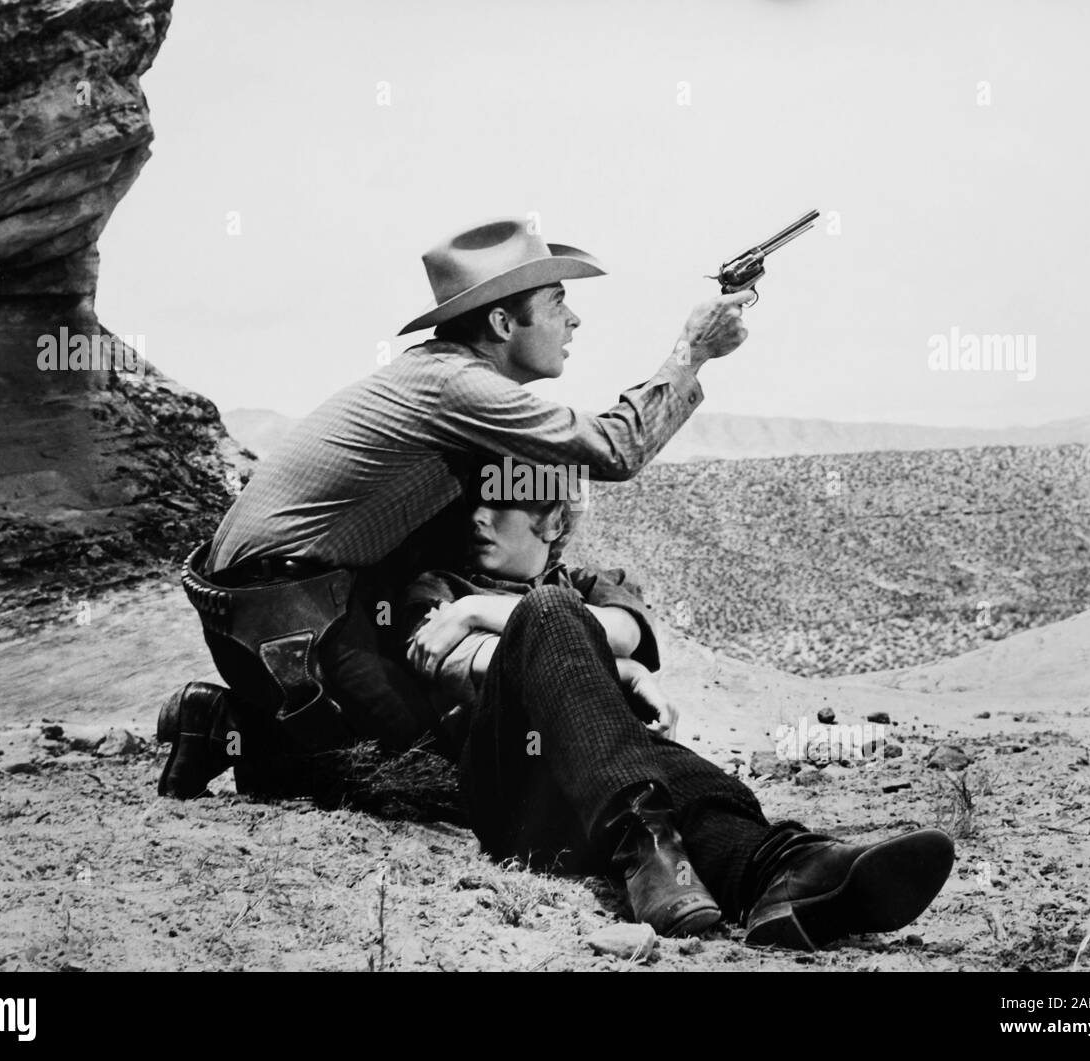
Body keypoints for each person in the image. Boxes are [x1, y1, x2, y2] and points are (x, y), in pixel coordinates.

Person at [158, 217, 757, 799]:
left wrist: (603, 608)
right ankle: (233, 724)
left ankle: (244, 727)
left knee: (433, 751)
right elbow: (614, 449)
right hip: (292, 621)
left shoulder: (440, 380)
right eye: (556, 302)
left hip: (277, 605)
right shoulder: (457, 385)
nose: (574, 319)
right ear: (502, 321)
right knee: (447, 780)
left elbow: (543, 509)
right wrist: (691, 352)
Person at [399, 471, 955, 948]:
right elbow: (469, 664)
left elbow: (626, 628)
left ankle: (784, 875)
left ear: (550, 519)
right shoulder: (439, 589)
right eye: (474, 501)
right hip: (509, 795)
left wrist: (486, 612)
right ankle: (646, 841)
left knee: (684, 789)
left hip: (594, 808)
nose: (477, 517)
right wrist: (617, 667)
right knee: (551, 615)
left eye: (500, 503)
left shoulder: (583, 586)